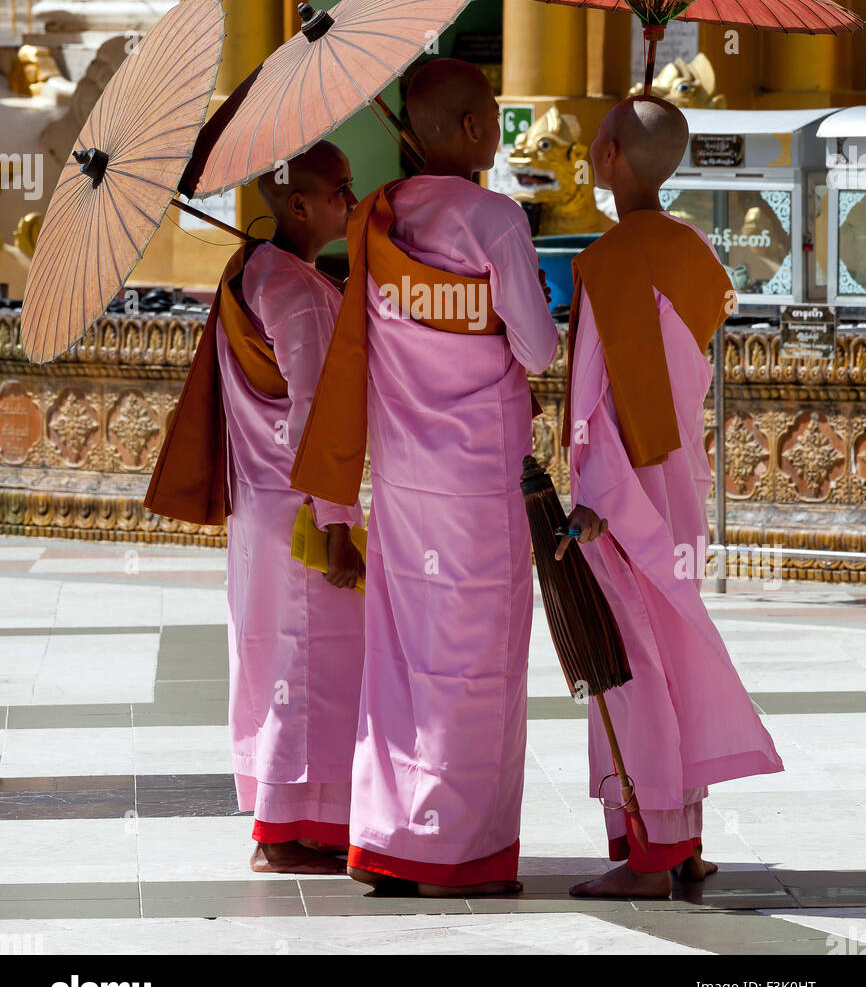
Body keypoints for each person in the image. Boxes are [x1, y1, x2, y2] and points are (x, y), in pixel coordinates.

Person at [291, 58, 558, 896]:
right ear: (473, 131)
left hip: (404, 483)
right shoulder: (495, 221)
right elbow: (540, 349)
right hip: (482, 480)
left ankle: (393, 838)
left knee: (403, 658)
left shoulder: (374, 220)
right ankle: (459, 850)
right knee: (478, 664)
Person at [558, 96, 784, 900]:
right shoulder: (696, 254)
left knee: (632, 668)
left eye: (595, 144)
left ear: (612, 155)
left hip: (624, 498)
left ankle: (652, 855)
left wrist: (589, 500)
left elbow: (592, 402)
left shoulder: (608, 261)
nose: (588, 155)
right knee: (675, 655)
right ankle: (683, 841)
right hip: (680, 485)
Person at [146, 142, 366, 874]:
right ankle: (280, 832)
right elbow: (314, 413)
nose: (351, 197)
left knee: (289, 658)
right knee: (306, 663)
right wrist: (336, 524)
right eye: (339, 188)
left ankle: (312, 822)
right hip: (304, 507)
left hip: (264, 506)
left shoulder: (256, 269)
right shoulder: (295, 291)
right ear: (298, 205)